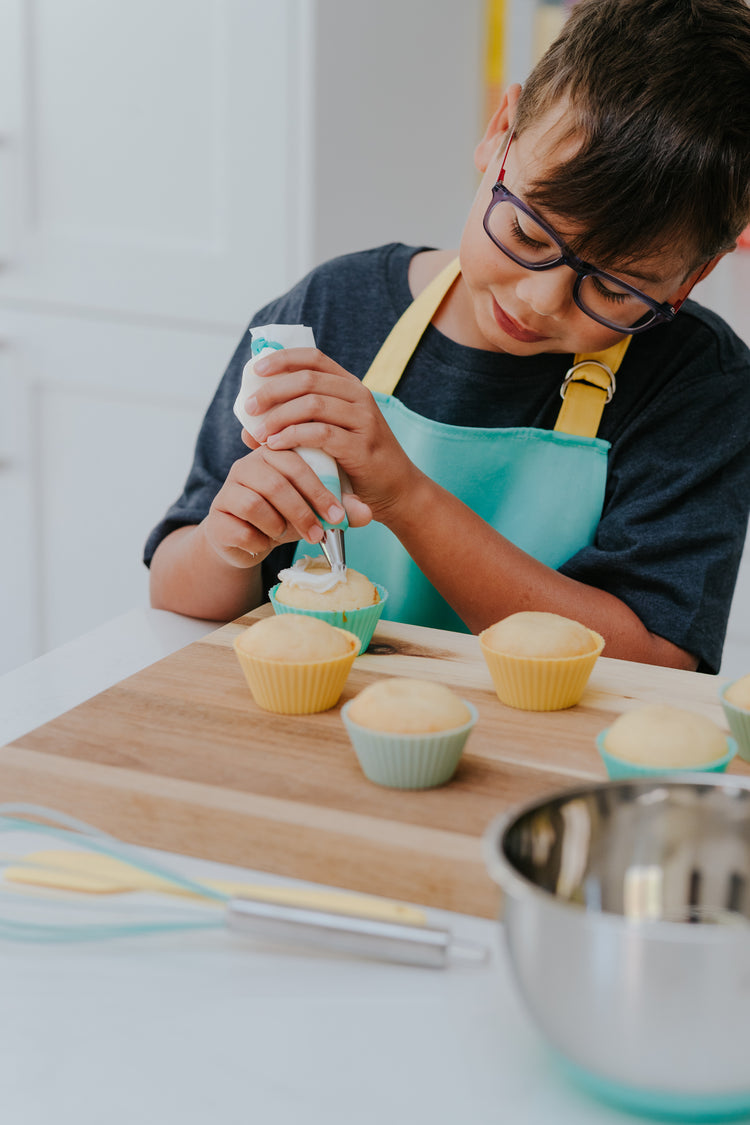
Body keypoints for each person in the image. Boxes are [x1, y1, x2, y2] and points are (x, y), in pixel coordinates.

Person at [145, 0, 750, 675]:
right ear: (499, 134)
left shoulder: (700, 382)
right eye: (528, 233)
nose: (539, 299)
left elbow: (656, 663)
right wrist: (229, 547)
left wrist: (406, 494)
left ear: (693, 276)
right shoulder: (332, 311)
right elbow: (174, 586)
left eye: (615, 288)